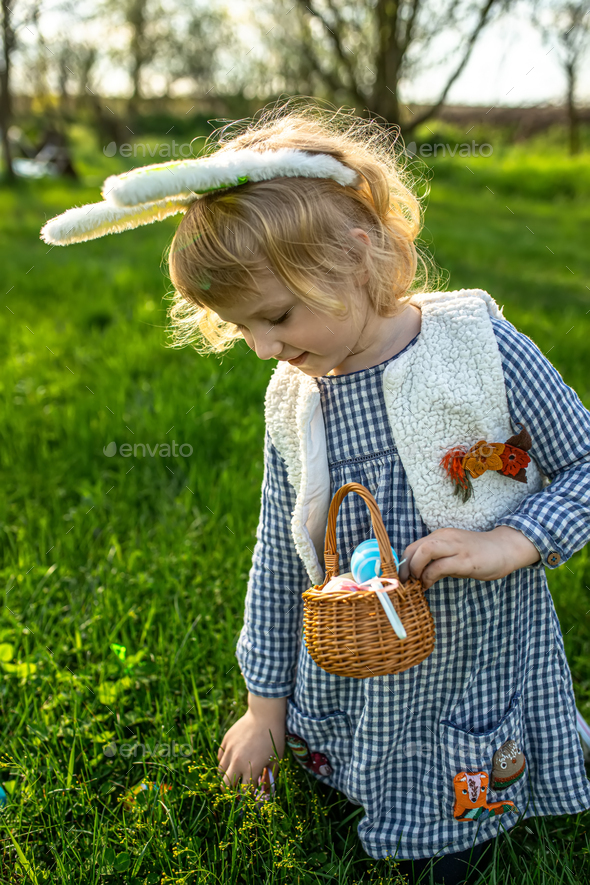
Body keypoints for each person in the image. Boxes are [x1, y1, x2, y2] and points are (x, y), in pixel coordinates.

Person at [39, 101, 590, 884]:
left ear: (355, 255)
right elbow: (275, 557)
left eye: (276, 316)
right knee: (343, 768)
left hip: (477, 657)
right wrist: (265, 706)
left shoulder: (479, 346)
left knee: (458, 815)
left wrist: (513, 540)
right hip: (357, 661)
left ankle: (463, 811)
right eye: (242, 329)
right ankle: (359, 774)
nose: (265, 347)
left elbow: (585, 462)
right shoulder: (294, 399)